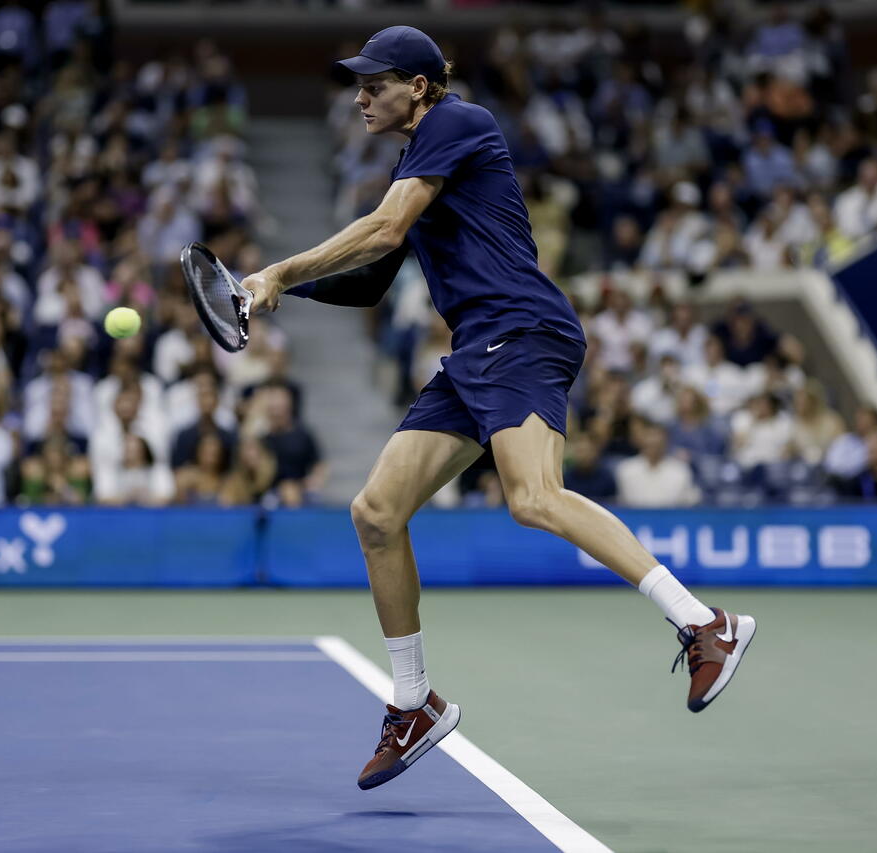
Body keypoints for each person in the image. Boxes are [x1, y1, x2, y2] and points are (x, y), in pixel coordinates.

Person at [240, 27, 756, 791]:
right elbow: (373, 274)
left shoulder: (456, 122)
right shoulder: (418, 158)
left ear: (418, 85)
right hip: (476, 349)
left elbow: (384, 230)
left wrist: (279, 267)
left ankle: (705, 623)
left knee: (532, 497)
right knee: (376, 512)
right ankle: (414, 704)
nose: (360, 97)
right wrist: (272, 293)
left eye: (374, 84)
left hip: (522, 330)